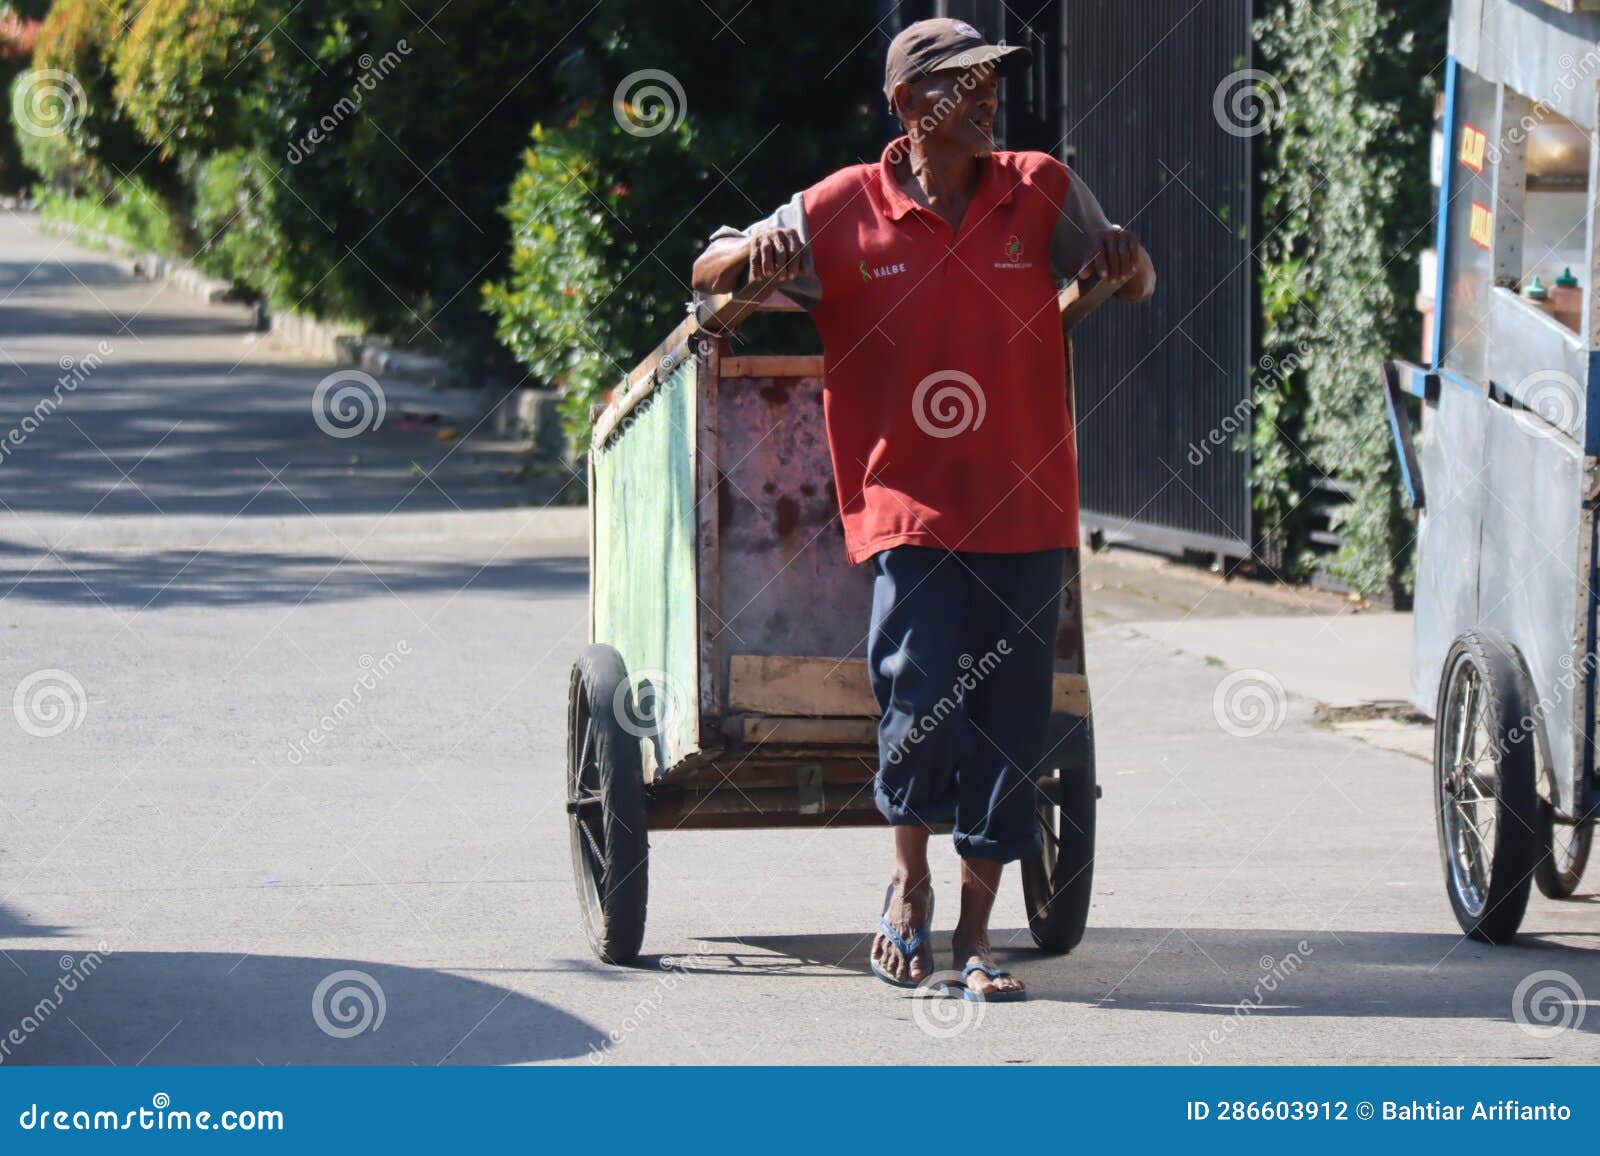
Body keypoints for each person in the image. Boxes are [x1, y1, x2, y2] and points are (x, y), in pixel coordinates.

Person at [690, 17, 1155, 1002]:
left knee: (1010, 722)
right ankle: (907, 885)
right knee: (917, 697)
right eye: (964, 85)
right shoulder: (843, 208)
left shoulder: (1040, 189)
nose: (988, 99)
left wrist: (1122, 265)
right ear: (909, 107)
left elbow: (1135, 277)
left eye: (991, 82)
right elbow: (707, 271)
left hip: (1027, 502)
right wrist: (747, 250)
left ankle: (978, 933)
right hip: (909, 507)